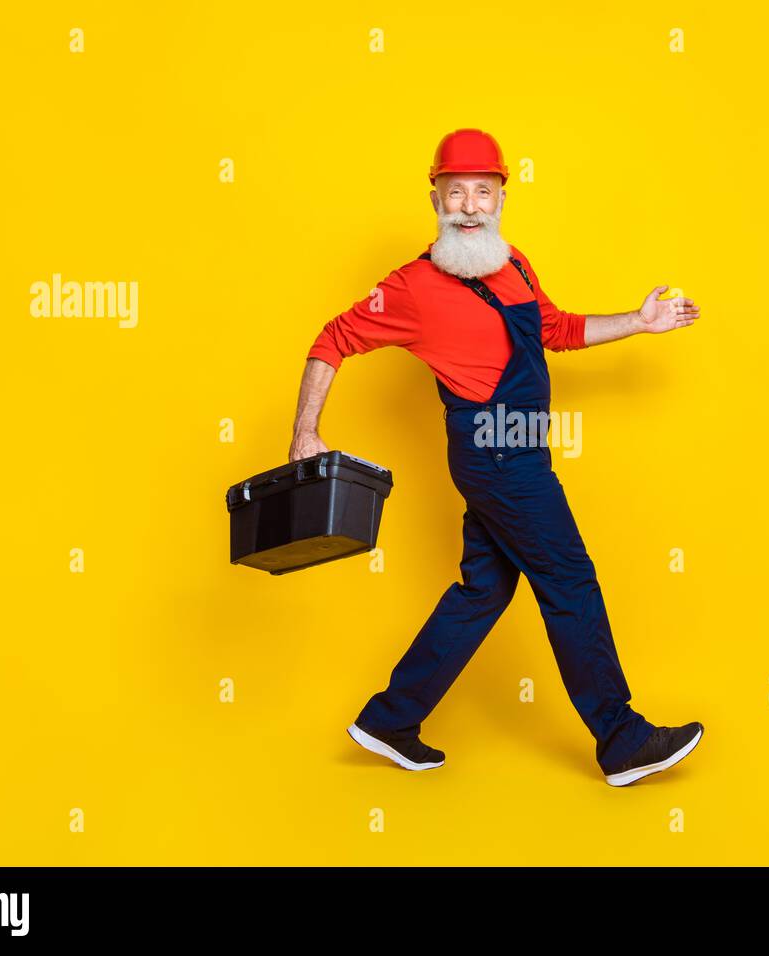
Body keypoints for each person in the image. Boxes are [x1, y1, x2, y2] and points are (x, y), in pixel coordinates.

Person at [290, 128, 704, 786]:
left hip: (520, 443)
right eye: (457, 192)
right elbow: (332, 337)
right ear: (436, 200)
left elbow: (557, 329)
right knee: (569, 579)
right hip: (494, 448)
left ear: (502, 197)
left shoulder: (515, 265)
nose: (471, 205)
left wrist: (640, 321)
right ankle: (620, 737)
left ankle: (391, 720)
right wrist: (304, 433)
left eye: (484, 191)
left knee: (486, 589)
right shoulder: (410, 287)